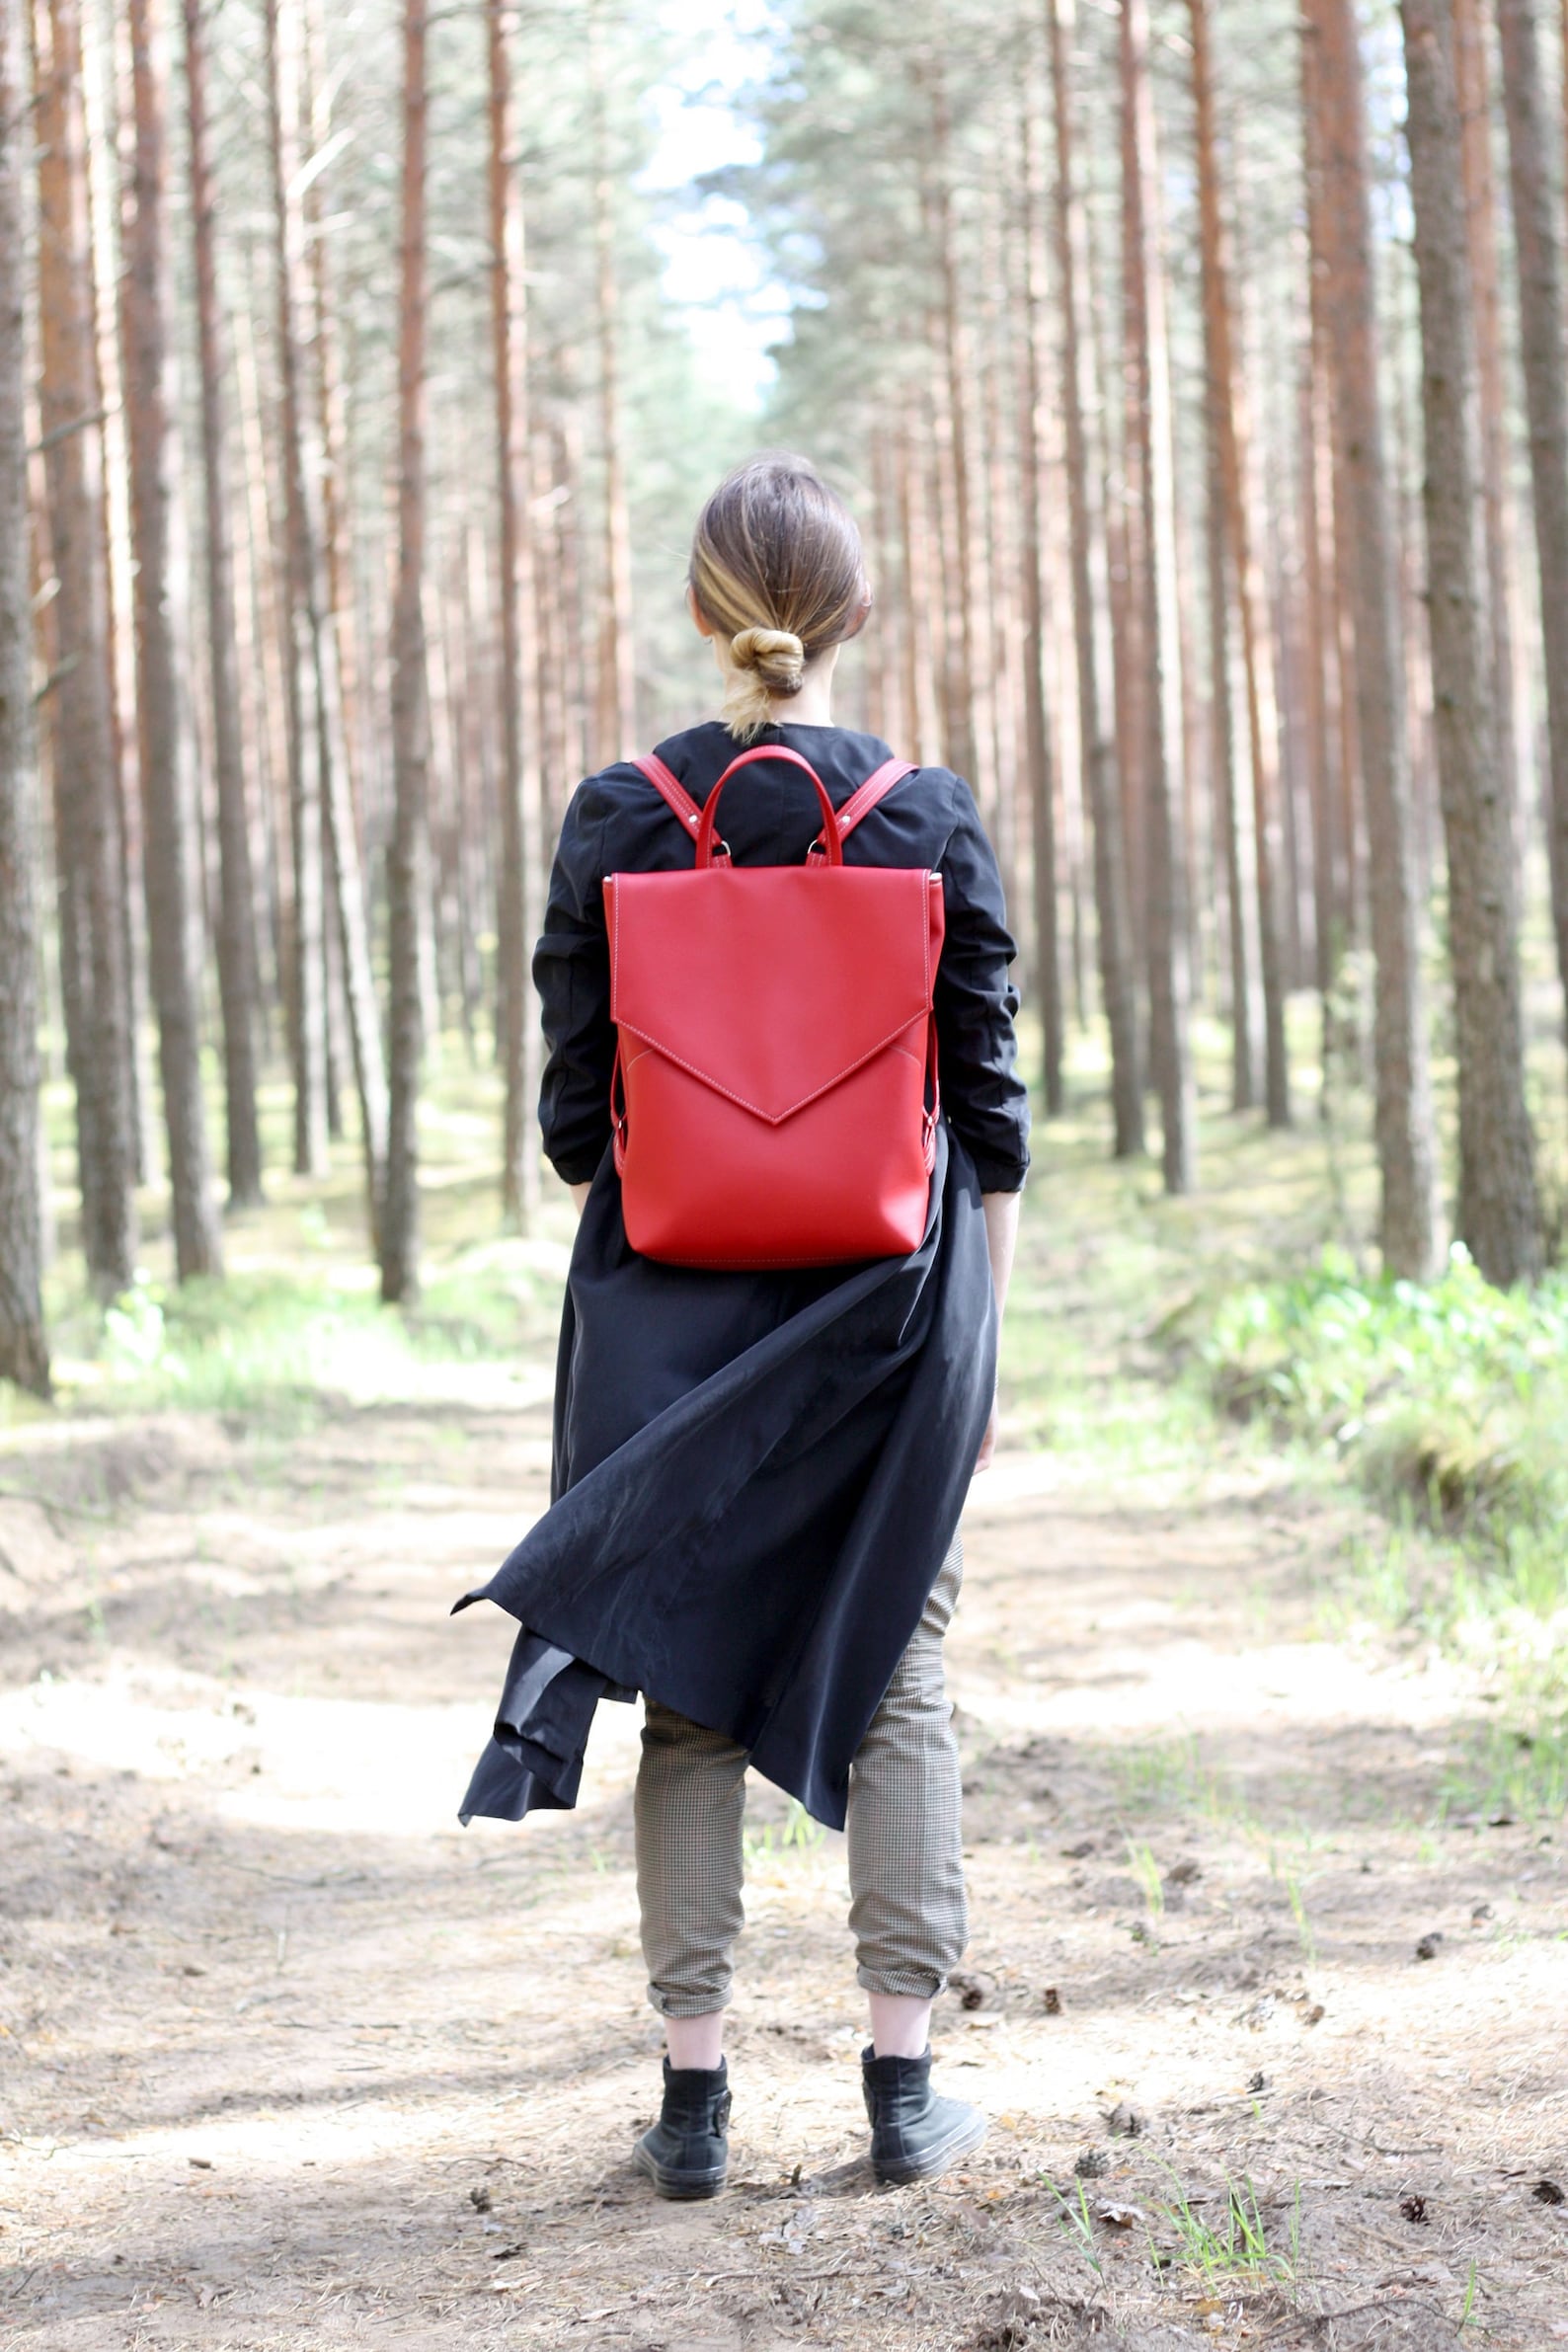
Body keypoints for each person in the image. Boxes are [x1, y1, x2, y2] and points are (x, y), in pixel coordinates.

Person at [456, 452, 1029, 2198]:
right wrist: (978, 1342)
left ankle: (694, 2105)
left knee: (686, 1687)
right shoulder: (925, 814)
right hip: (889, 1310)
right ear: (852, 618)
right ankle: (900, 2092)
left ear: (707, 617)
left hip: (669, 1315)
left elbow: (574, 1125)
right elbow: (990, 1123)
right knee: (903, 1667)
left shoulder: (617, 813)